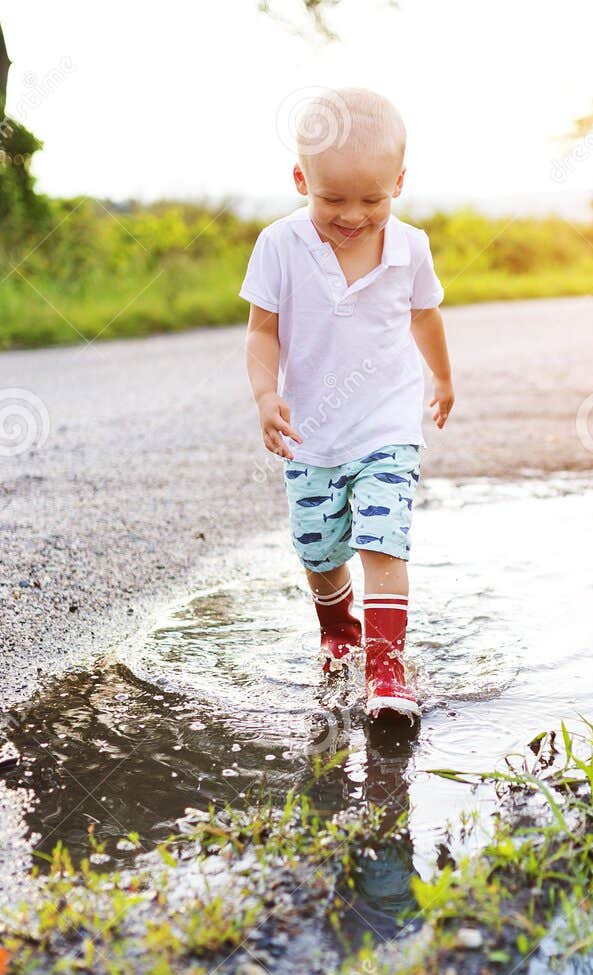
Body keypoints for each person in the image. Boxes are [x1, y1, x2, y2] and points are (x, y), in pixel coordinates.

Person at [241, 87, 454, 720]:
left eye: (373, 199)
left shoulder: (410, 246)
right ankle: (338, 630)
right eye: (333, 198)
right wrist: (264, 393)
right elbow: (261, 329)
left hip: (387, 424)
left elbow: (425, 315)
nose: (354, 215)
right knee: (319, 547)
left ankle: (386, 670)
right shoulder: (280, 245)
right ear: (302, 178)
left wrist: (442, 378)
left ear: (400, 182)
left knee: (383, 537)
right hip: (311, 433)